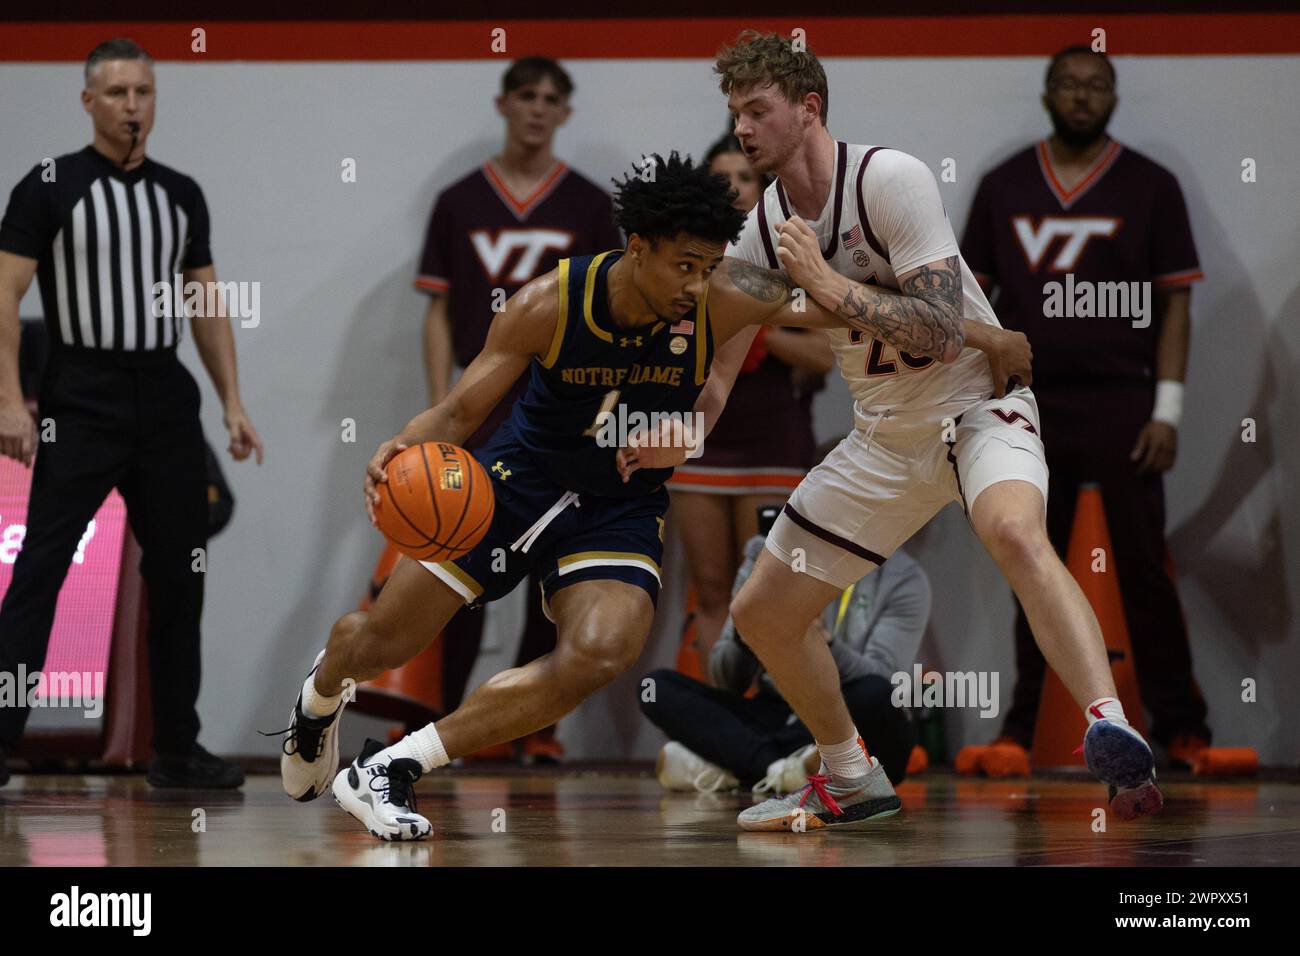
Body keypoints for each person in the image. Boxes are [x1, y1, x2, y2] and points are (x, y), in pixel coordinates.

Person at [623, 30, 1163, 831]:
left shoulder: (892, 178)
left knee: (1015, 532)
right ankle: (850, 774)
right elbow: (724, 366)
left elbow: (944, 328)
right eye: (734, 113)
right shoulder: (763, 229)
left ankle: (1109, 725)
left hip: (979, 409)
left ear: (808, 108)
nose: (741, 128)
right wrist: (683, 433)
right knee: (763, 612)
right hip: (884, 438)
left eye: (756, 110)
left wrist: (824, 285)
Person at [276, 153, 873, 841]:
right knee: (380, 641)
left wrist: (970, 332)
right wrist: (399, 444)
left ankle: (394, 767)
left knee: (600, 652)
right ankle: (319, 698)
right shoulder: (549, 303)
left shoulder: (725, 293)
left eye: (708, 265)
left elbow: (848, 302)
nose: (696, 283)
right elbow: (460, 412)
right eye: (683, 265)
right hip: (517, 482)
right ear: (638, 247)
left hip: (618, 503)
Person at [0, 38, 263, 788]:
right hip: (81, 395)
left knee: (182, 574)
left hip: (165, 396)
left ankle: (175, 748)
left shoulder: (180, 193)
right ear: (88, 101)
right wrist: (7, 401)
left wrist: (233, 404)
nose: (132, 106)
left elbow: (205, 302)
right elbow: (4, 296)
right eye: (116, 93)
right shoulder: (49, 185)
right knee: (40, 569)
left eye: (143, 92)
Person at [961, 47, 1210, 768]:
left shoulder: (1150, 186)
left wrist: (1167, 411)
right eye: (1068, 85)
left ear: (1114, 98)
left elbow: (1176, 305)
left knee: (1144, 568)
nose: (1081, 97)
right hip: (1023, 405)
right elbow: (968, 307)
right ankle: (1021, 730)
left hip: (1124, 402)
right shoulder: (1004, 184)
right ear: (1046, 94)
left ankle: (1183, 727)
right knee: (1027, 562)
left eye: (1095, 86)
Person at [404, 56, 623, 761]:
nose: (536, 108)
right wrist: (444, 401)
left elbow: (620, 313)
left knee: (549, 559)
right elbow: (437, 310)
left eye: (550, 98)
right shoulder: (459, 200)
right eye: (525, 95)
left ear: (565, 112)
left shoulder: (590, 204)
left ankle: (534, 731)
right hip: (482, 394)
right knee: (456, 555)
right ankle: (445, 723)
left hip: (564, 402)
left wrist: (610, 402)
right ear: (503, 104)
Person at [666, 133, 832, 662]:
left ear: (763, 187)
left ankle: (773, 729)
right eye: (722, 179)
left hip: (774, 439)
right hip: (700, 437)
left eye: (745, 177)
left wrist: (757, 328)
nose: (734, 188)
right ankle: (722, 725)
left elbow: (824, 355)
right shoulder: (684, 254)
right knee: (711, 588)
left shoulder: (788, 249)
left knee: (765, 592)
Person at [642, 503, 928, 792]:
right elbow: (726, 681)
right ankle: (783, 772)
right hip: (779, 710)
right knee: (654, 688)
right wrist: (750, 629)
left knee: (878, 697)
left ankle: (739, 765)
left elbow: (885, 678)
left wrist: (820, 639)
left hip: (844, 708)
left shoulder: (903, 578)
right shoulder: (766, 552)